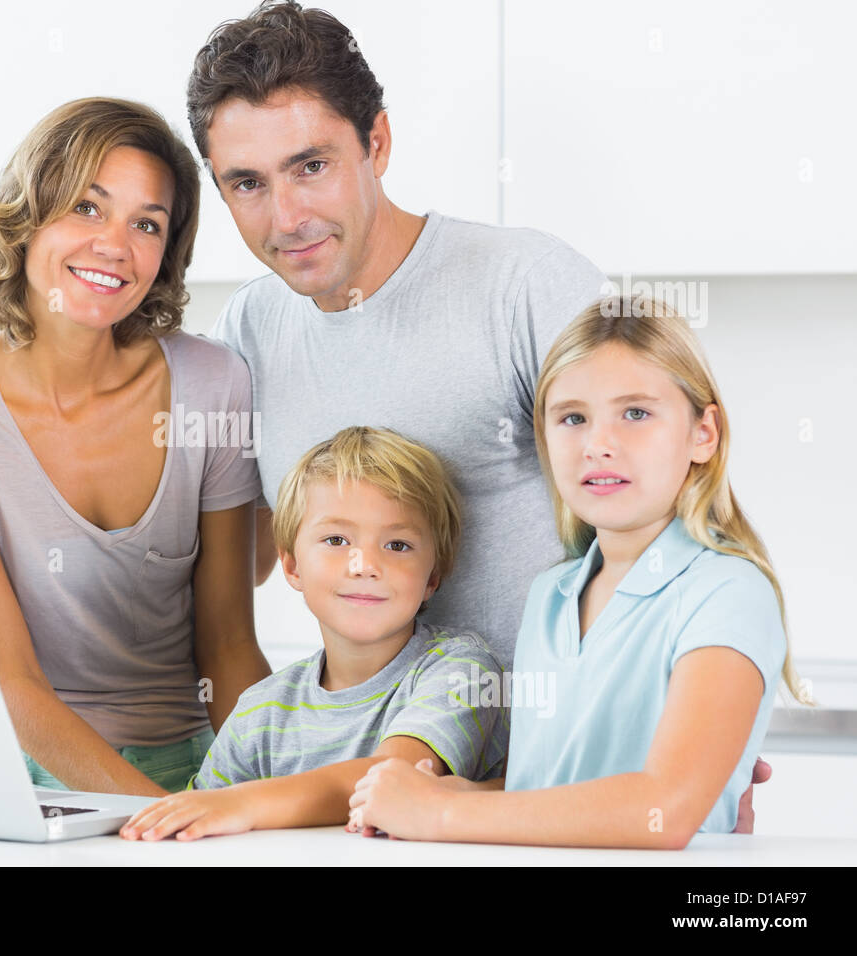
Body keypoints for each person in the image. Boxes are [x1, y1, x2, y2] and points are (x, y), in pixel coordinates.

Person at [187, 0, 769, 826]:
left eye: (311, 165)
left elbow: (662, 475)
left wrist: (698, 719)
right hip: (386, 804)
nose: (286, 218)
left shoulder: (523, 283)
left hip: (553, 787)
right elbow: (242, 561)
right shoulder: (251, 328)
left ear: (376, 143)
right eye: (247, 183)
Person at [0, 97, 270, 797]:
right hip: (18, 782)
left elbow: (229, 645)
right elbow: (10, 682)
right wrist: (159, 821)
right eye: (87, 208)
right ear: (28, 216)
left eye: (145, 223)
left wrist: (270, 793)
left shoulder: (214, 386)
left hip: (196, 766)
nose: (115, 245)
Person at [346, 295, 812, 848]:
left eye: (636, 413)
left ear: (702, 433)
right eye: (573, 418)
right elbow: (548, 791)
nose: (599, 445)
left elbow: (665, 807)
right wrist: (445, 794)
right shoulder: (552, 593)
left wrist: (440, 817)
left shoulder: (728, 593)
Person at [120, 426, 507, 841]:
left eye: (397, 545)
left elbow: (393, 782)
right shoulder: (259, 712)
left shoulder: (462, 671)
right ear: (292, 567)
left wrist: (245, 802)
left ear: (433, 577)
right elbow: (196, 819)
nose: (364, 564)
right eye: (337, 539)